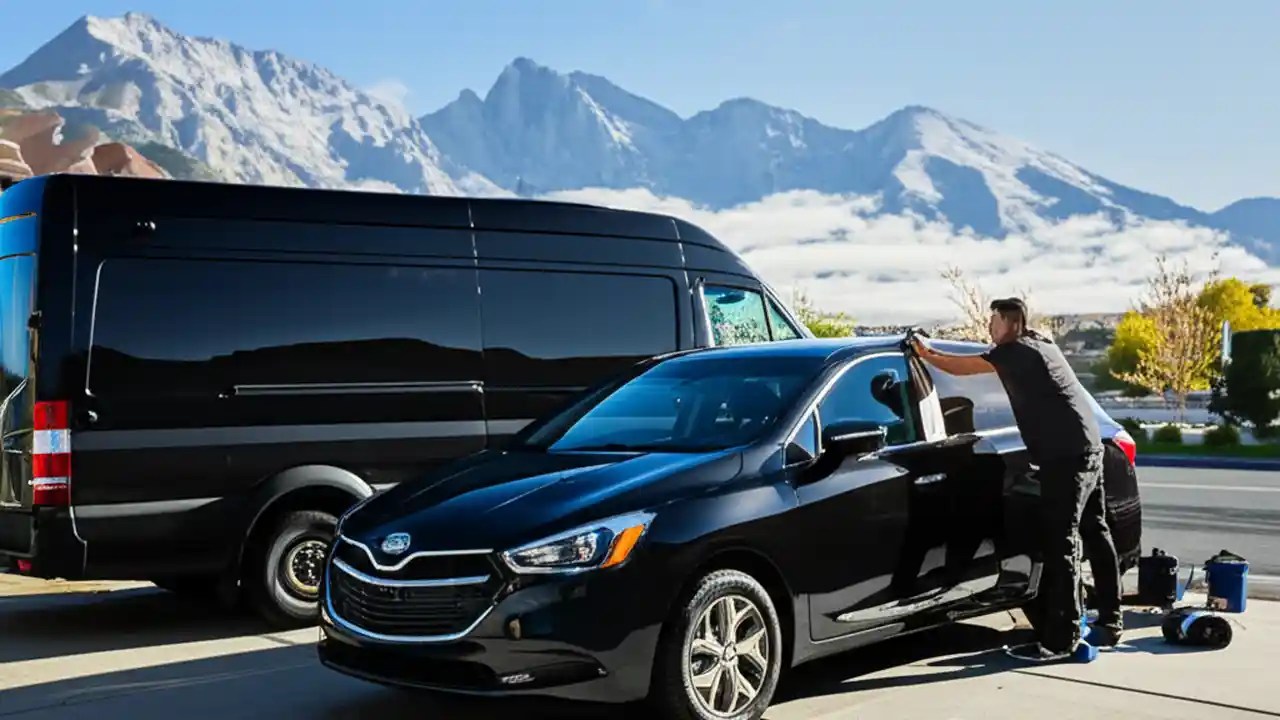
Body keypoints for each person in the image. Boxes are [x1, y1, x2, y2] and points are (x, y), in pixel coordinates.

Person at [910, 298, 1123, 660]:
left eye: (993, 321)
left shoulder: (1014, 351)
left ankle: (1062, 639)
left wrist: (923, 352)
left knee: (1062, 543)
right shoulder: (1041, 343)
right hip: (1088, 447)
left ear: (1008, 322)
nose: (989, 329)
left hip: (1064, 459)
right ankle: (1111, 621)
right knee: (1095, 531)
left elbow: (960, 368)